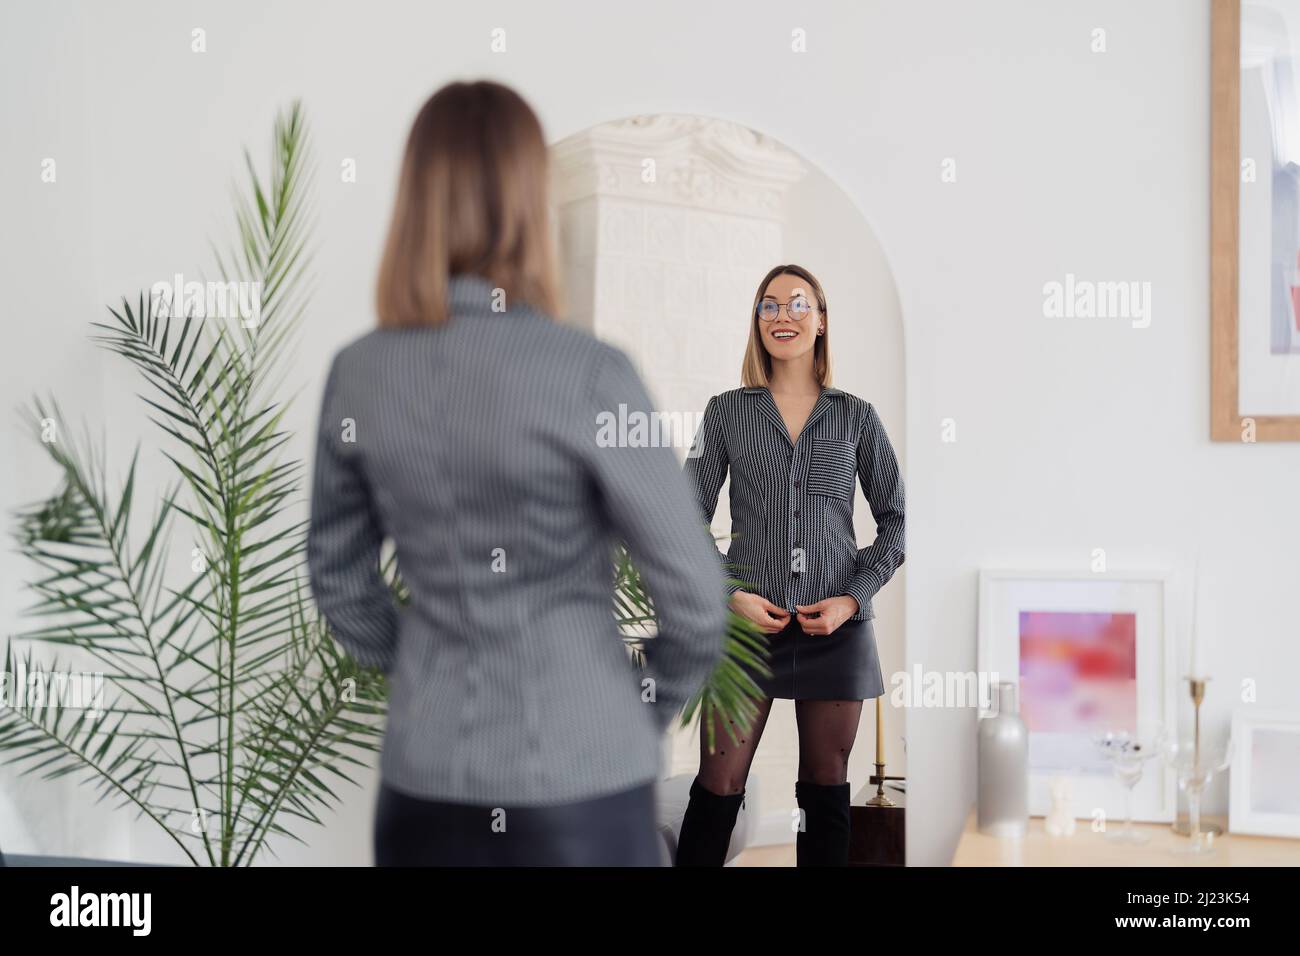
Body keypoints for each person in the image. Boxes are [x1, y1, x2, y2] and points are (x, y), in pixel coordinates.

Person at [307, 81, 727, 866]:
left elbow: (337, 578)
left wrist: (423, 671)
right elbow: (699, 598)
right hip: (582, 786)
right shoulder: (591, 374)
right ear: (531, 202)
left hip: (424, 790)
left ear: (415, 201)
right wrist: (637, 708)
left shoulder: (358, 374)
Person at [674, 264, 905, 866]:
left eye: (798, 305)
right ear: (757, 323)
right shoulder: (725, 413)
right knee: (716, 789)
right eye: (769, 306)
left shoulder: (857, 417)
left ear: (821, 320)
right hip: (746, 631)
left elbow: (898, 525)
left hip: (839, 631)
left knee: (824, 794)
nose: (783, 316)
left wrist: (851, 599)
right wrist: (731, 594)